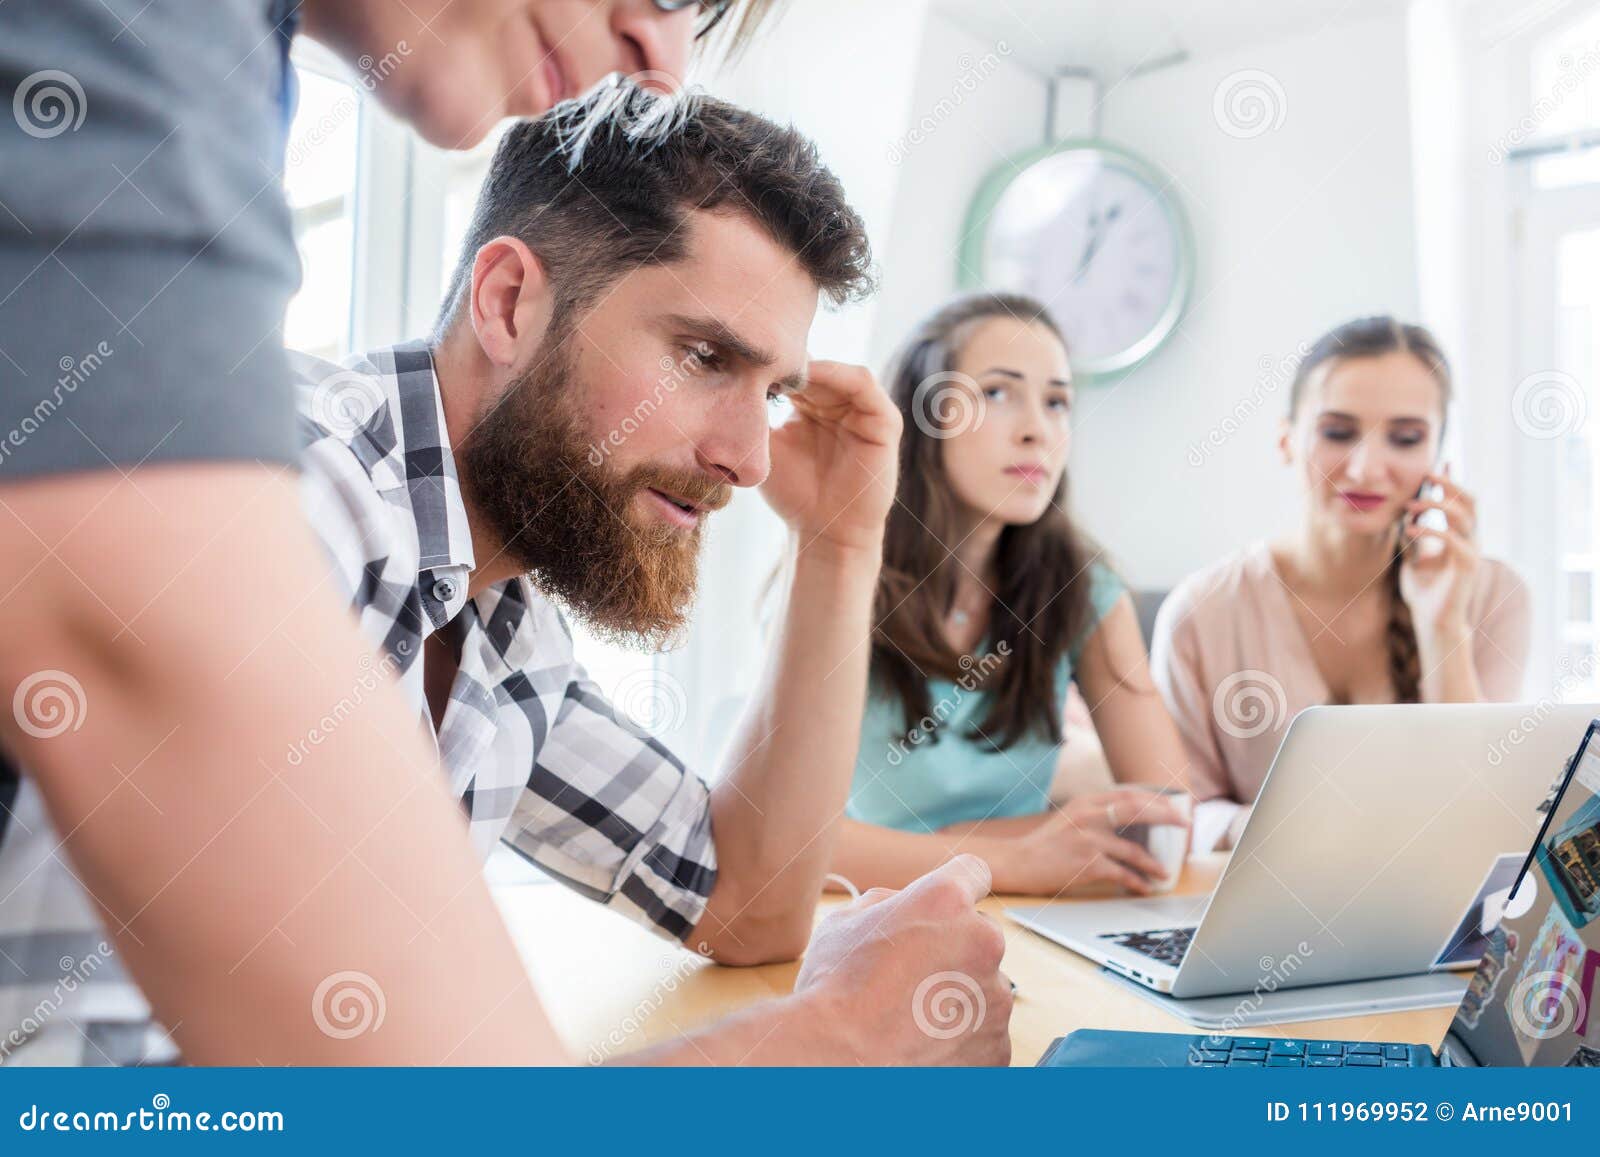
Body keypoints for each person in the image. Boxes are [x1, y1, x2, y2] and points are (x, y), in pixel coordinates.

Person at [0, 1, 1007, 1066]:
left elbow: (745, 900)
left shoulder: (500, 621)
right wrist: (828, 1043)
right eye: (705, 358)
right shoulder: (305, 503)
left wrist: (841, 545)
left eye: (771, 393)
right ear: (511, 301)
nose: (748, 458)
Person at [829, 293, 1191, 897]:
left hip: (1018, 920)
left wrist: (967, 848)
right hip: (855, 921)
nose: (1037, 431)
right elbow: (794, 847)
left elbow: (1167, 820)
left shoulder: (1083, 588)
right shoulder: (839, 571)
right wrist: (1017, 856)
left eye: (1057, 402)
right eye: (997, 394)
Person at [1151, 317, 1531, 850]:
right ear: (1287, 439)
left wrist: (1443, 625)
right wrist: (1298, 837)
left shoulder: (1495, 596)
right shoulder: (1202, 612)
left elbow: (1484, 817)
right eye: (1337, 433)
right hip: (1261, 907)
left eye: (1404, 438)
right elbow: (1181, 817)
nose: (1366, 467)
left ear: (1438, 454)